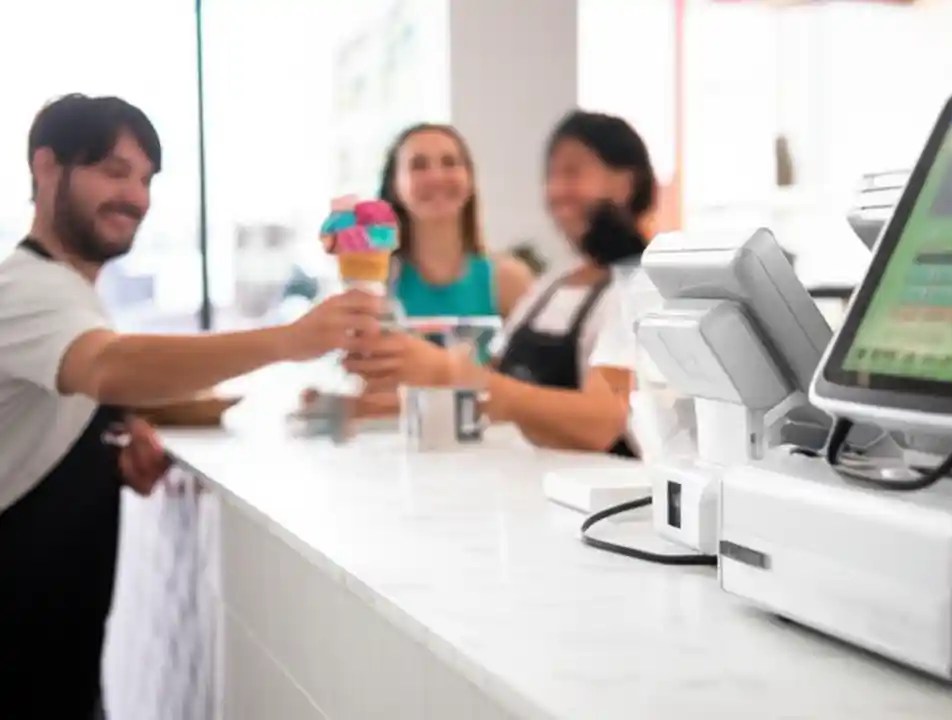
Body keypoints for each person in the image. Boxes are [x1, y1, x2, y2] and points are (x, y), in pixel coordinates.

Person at [0, 94, 381, 719]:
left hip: (54, 654)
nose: (137, 197)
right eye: (114, 171)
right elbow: (105, 366)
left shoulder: (69, 293)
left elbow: (69, 397)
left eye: (146, 178)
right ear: (47, 168)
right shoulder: (27, 287)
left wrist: (116, 442)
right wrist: (290, 339)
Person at [347, 111, 655, 455]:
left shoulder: (640, 289)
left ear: (626, 183)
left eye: (571, 172)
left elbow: (602, 424)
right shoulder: (549, 289)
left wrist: (450, 373)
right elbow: (489, 378)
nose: (555, 190)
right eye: (550, 175)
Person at [378, 123, 532, 318]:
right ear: (394, 186)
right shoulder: (378, 285)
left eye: (449, 163)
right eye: (418, 165)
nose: (436, 177)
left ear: (469, 179)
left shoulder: (509, 281)